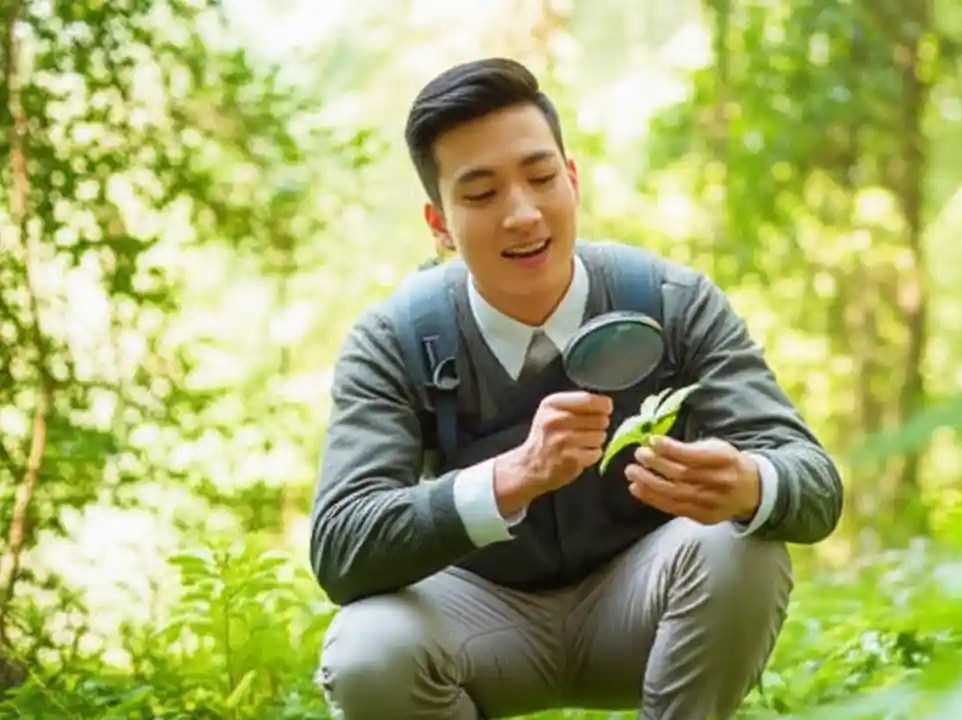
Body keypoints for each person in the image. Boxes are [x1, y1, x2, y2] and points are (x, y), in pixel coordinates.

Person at [308, 57, 843, 720]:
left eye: (540, 177)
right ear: (439, 223)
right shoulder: (395, 339)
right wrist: (510, 477)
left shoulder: (672, 303)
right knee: (368, 650)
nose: (523, 214)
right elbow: (341, 545)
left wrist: (749, 484)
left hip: (643, 610)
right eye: (481, 195)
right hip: (478, 627)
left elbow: (814, 481)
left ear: (573, 178)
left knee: (741, 548)